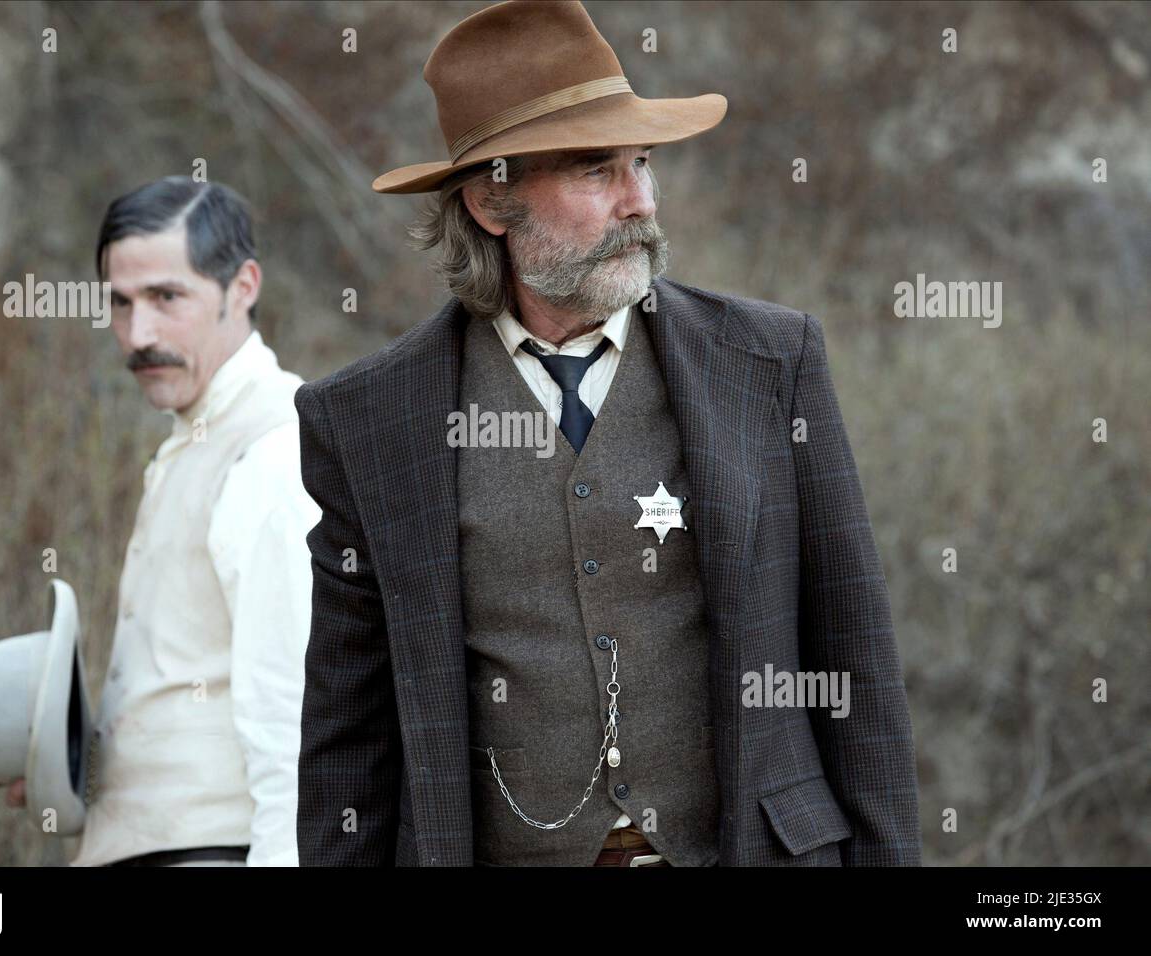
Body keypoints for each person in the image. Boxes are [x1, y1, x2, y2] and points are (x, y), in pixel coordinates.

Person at [295, 0, 920, 866]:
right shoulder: (365, 421)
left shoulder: (771, 363)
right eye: (597, 171)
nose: (640, 202)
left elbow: (854, 656)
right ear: (489, 200)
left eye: (643, 165)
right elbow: (346, 732)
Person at [0, 177, 319, 867]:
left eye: (167, 298)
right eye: (120, 304)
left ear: (242, 286)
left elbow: (295, 720)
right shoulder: (193, 438)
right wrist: (56, 752)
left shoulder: (274, 448)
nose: (140, 336)